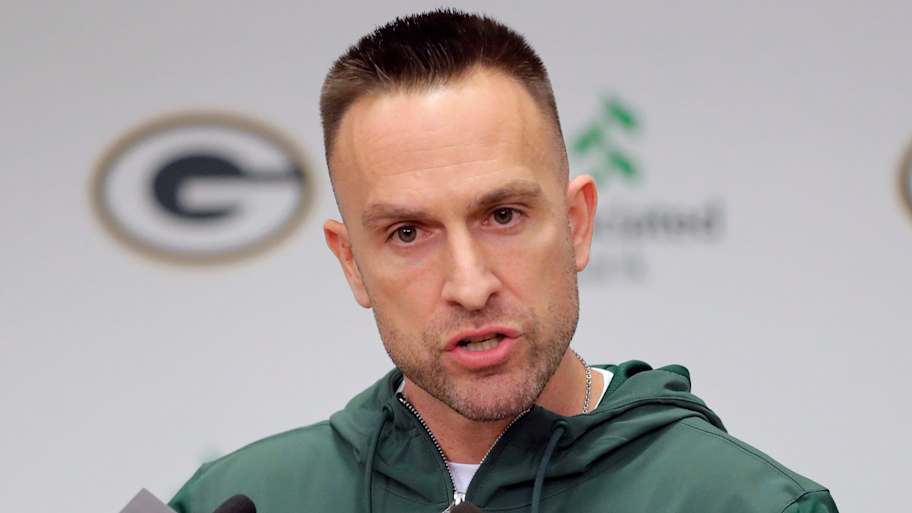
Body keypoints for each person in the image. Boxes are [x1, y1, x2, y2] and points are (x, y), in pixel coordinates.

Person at [169, 9, 839, 513]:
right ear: (351, 263)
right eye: (408, 232)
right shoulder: (235, 499)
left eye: (503, 216)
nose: (469, 285)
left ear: (576, 225)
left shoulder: (746, 503)